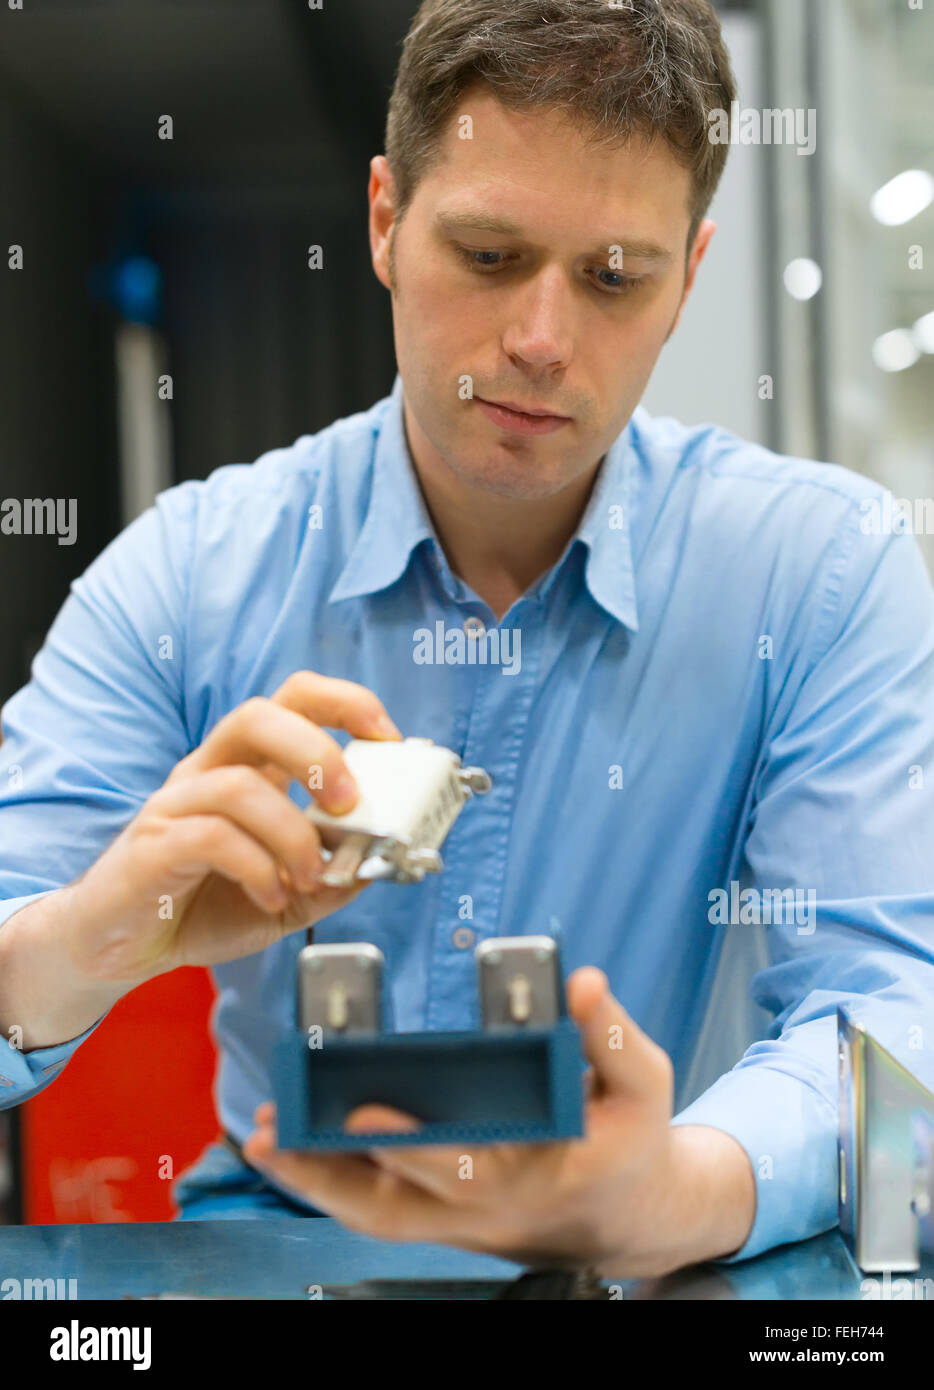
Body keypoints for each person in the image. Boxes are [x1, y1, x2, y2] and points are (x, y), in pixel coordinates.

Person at [1, 0, 932, 1279]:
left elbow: (893, 1028)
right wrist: (82, 940)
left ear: (689, 280)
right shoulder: (189, 571)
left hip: (665, 1262)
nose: (542, 342)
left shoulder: (820, 572)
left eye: (615, 277)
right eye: (489, 255)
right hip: (279, 1254)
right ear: (384, 220)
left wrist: (670, 1187)